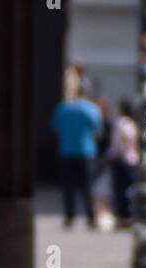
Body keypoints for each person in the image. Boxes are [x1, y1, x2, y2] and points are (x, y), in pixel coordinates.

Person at [52, 85, 103, 229]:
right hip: (86, 151)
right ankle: (91, 217)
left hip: (66, 150)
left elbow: (55, 128)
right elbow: (98, 132)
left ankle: (69, 217)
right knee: (87, 187)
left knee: (68, 187)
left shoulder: (63, 108)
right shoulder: (92, 109)